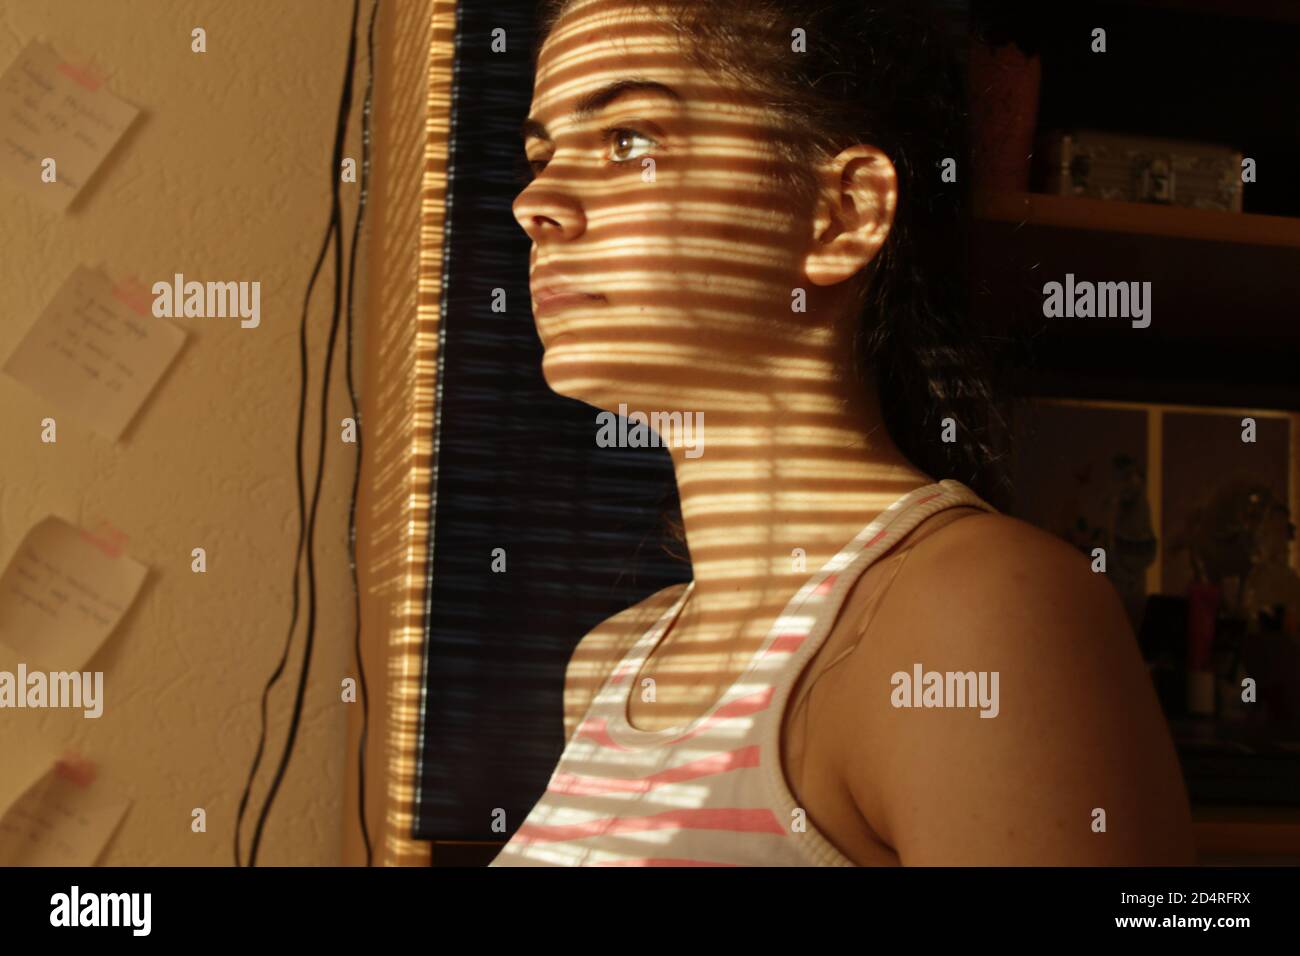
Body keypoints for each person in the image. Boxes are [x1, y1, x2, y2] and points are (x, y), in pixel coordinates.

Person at [492, 0, 1194, 865]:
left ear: (843, 214)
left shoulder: (980, 615)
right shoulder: (610, 663)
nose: (536, 201)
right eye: (542, 154)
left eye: (629, 140)